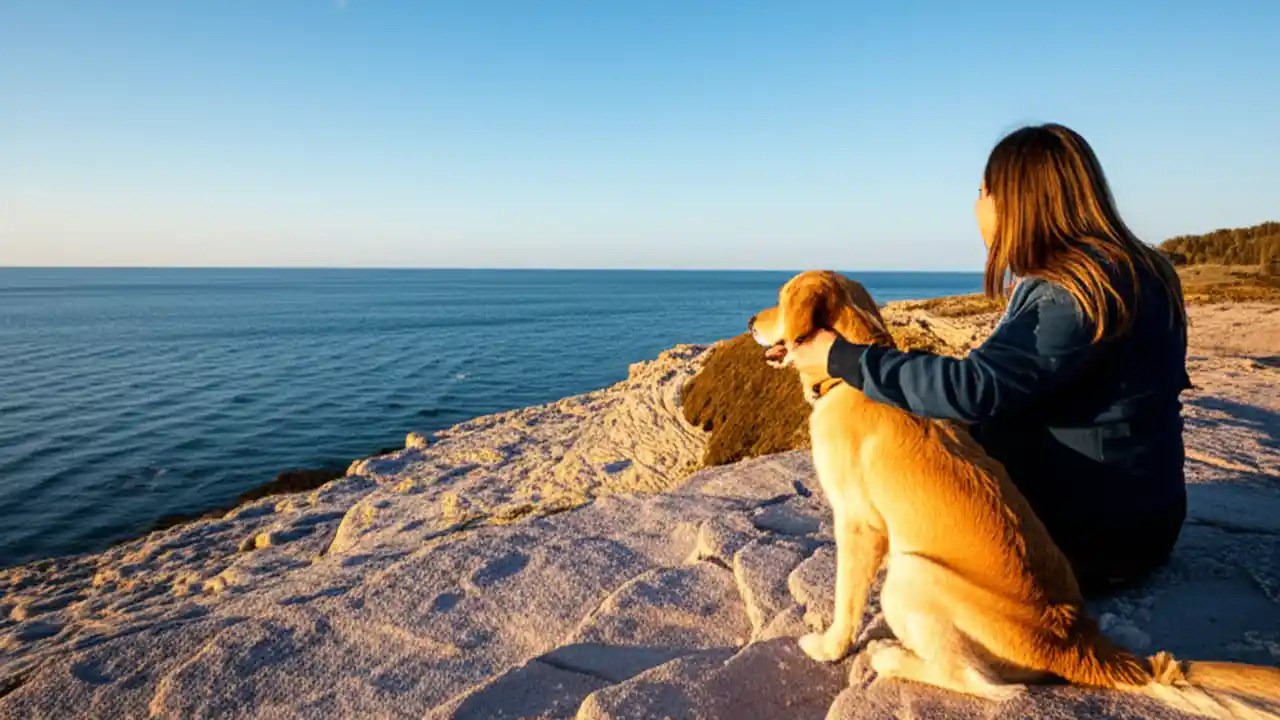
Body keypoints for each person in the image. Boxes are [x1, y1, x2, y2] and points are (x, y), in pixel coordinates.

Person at [788, 123, 1191, 594]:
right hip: (1140, 515)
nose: (977, 205)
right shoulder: (1138, 269)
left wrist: (843, 358)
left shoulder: (1076, 292)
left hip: (1092, 539)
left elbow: (974, 389)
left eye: (983, 191)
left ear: (1018, 200)